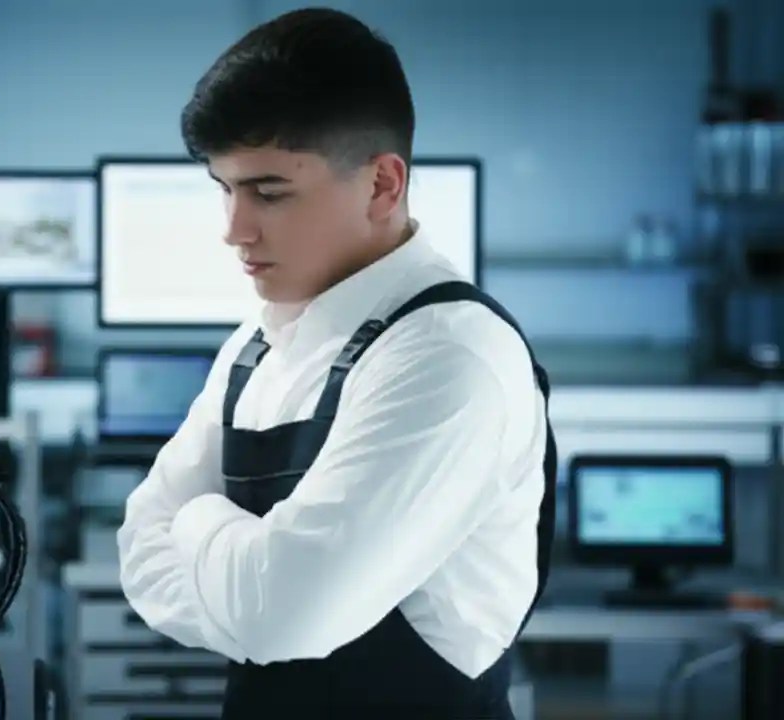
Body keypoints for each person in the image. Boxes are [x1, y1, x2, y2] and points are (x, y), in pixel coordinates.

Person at [115, 7, 557, 719]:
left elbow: (287, 617)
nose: (233, 229)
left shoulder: (449, 355)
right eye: (224, 189)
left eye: (269, 192)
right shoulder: (256, 343)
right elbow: (139, 556)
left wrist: (195, 520)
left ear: (382, 184)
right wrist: (252, 569)